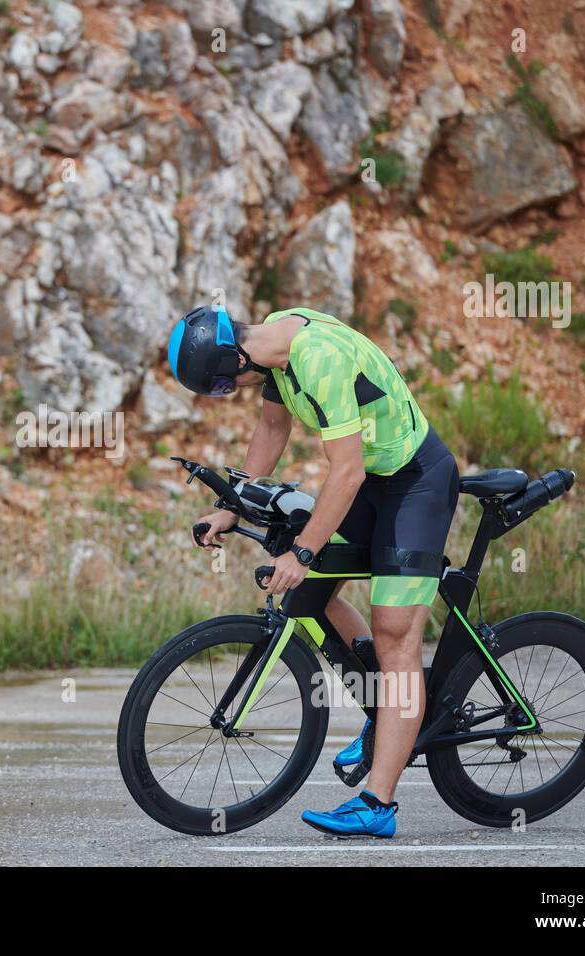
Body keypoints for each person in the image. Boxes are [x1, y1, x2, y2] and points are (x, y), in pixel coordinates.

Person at [166, 304, 460, 838]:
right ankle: (384, 712)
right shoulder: (275, 347)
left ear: (236, 360)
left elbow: (345, 472)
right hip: (371, 480)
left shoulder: (317, 359)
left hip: (415, 482)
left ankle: (378, 804)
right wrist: (231, 507)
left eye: (224, 384)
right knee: (313, 598)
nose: (231, 391)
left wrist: (301, 553)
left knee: (395, 635)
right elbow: (272, 427)